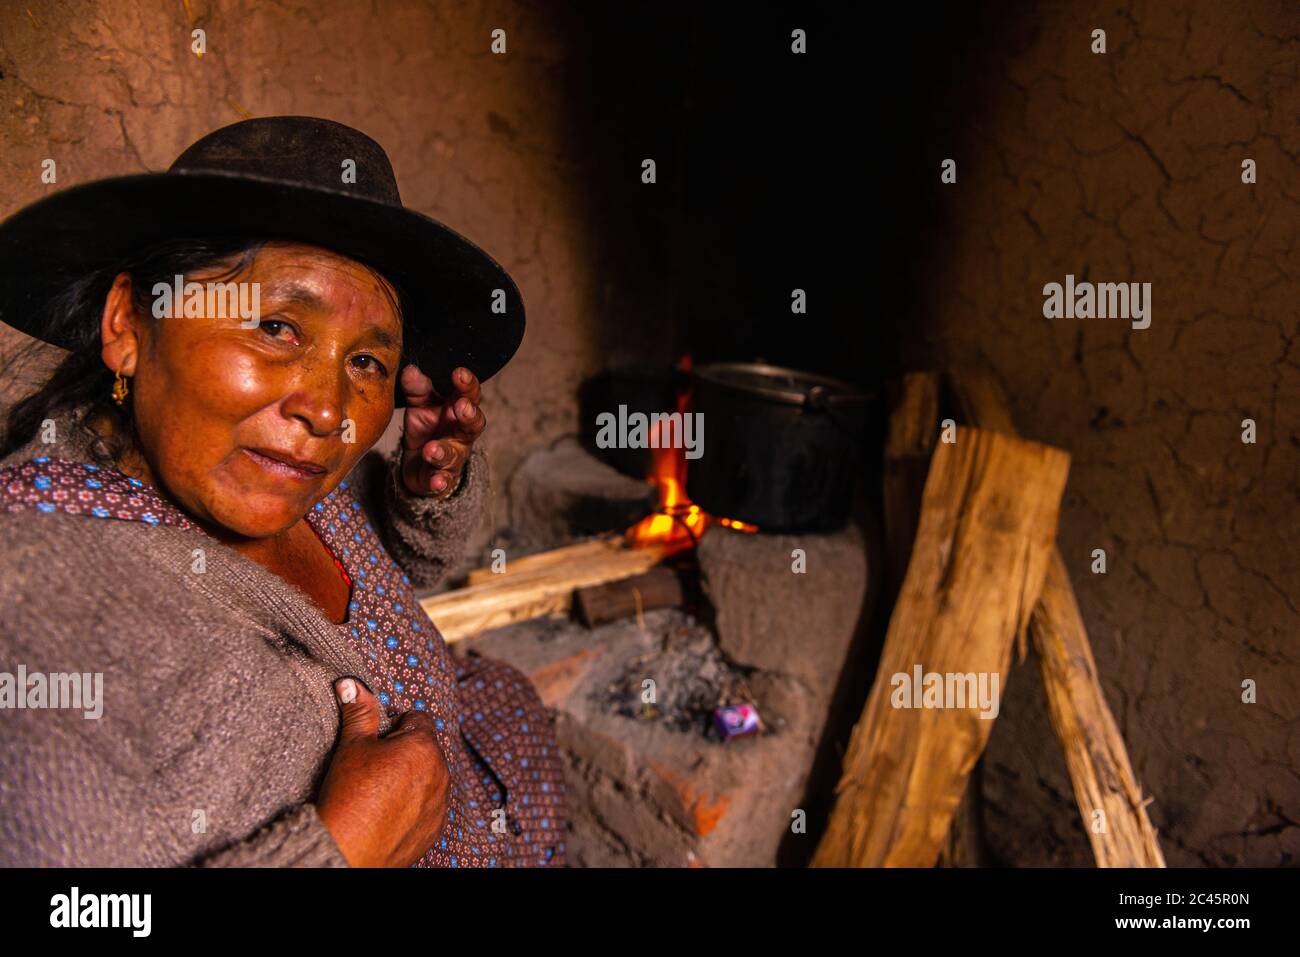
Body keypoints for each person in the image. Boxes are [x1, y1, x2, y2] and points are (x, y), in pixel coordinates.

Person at [0, 116, 566, 867]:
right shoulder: (33, 610)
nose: (329, 410)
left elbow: (391, 585)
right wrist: (342, 849)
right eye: (275, 326)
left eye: (366, 361)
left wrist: (421, 486)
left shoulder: (286, 477)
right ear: (127, 324)